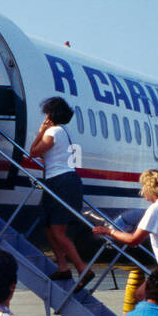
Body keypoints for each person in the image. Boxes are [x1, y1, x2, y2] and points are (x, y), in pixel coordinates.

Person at [92, 169, 158, 291]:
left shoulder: (156, 208)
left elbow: (134, 240)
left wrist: (109, 231)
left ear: (148, 189)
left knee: (142, 295)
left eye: (142, 187)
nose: (141, 192)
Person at [29, 97, 92, 288]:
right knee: (48, 227)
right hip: (55, 182)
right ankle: (63, 267)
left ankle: (82, 268)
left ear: (51, 114)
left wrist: (40, 132)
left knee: (58, 231)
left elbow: (33, 152)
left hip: (62, 182)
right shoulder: (62, 132)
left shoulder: (54, 132)